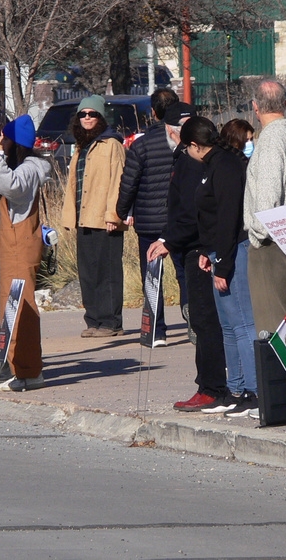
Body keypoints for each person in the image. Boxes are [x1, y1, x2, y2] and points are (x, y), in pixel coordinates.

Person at [147, 105, 227, 411]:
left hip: (199, 250)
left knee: (206, 321)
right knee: (203, 318)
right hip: (191, 245)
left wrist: (169, 239)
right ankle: (211, 384)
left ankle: (212, 387)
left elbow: (195, 212)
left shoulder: (195, 163)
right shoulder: (189, 159)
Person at [242, 80, 286, 404]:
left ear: (255, 108)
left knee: (274, 325)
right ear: (285, 103)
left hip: (272, 243)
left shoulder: (270, 142)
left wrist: (257, 234)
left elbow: (268, 197)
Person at [181, 116, 258, 417]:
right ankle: (235, 388)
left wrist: (224, 264)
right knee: (227, 326)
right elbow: (210, 217)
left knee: (243, 324)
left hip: (234, 249)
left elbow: (228, 217)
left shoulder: (224, 165)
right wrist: (205, 249)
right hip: (216, 250)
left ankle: (253, 390)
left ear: (194, 145)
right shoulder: (210, 165)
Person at [0, 115, 52, 391]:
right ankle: (15, 366)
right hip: (12, 246)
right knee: (8, 307)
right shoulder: (26, 166)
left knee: (21, 307)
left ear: (14, 142)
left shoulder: (31, 168)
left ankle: (29, 370)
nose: (2, 143)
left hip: (20, 245)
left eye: (5, 139)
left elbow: (12, 186)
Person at [116, 88, 181, 346]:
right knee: (185, 275)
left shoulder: (141, 145)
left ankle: (156, 330)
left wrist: (123, 210)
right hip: (179, 221)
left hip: (149, 221)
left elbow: (128, 183)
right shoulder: (187, 143)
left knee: (152, 276)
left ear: (153, 112)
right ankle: (195, 325)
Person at [62, 95, 126, 337]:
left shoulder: (112, 144)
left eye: (92, 114)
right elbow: (73, 184)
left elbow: (118, 181)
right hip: (83, 217)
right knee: (88, 271)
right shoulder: (81, 146)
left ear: (100, 117)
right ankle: (94, 320)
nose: (87, 118)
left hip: (105, 218)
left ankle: (111, 322)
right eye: (83, 114)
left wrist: (114, 215)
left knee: (107, 271)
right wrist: (69, 216)